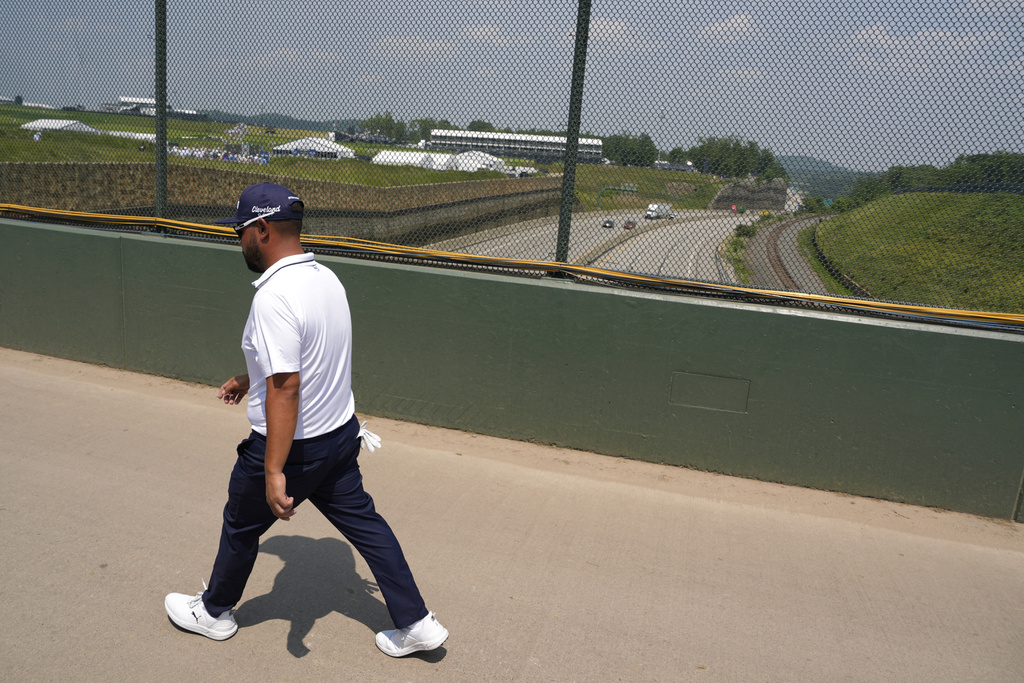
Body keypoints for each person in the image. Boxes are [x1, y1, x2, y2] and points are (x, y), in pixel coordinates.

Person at [164, 183, 447, 657]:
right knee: (369, 527)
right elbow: (307, 361)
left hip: (294, 447)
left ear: (262, 230)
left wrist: (273, 469)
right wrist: (248, 376)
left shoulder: (274, 296)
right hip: (339, 437)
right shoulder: (326, 279)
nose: (240, 243)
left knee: (240, 523)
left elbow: (288, 385)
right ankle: (416, 621)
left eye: (241, 233)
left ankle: (213, 613)